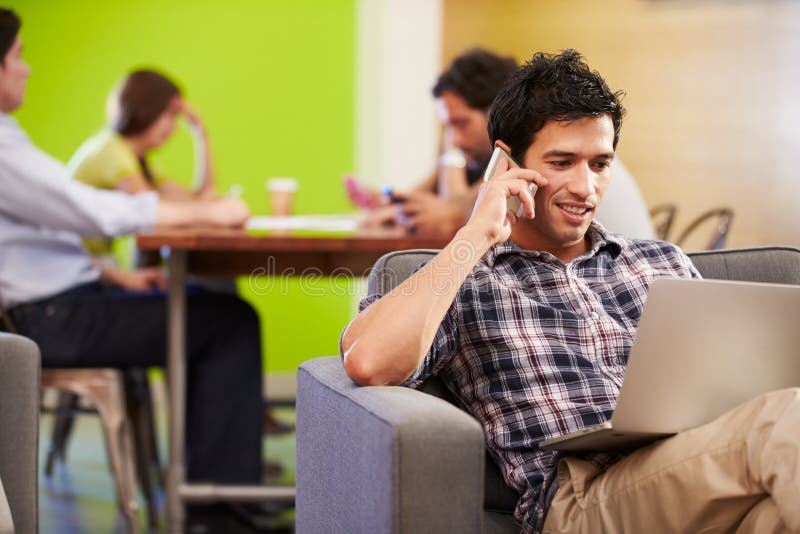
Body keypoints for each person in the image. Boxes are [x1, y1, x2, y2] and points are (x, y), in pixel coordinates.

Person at [341, 50, 799, 533]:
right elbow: (368, 362)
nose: (586, 187)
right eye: (562, 162)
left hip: (695, 474)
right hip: (580, 499)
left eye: (601, 164)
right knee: (785, 416)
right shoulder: (466, 279)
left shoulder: (661, 262)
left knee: (774, 515)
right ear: (507, 165)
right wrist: (473, 234)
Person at [0, 9, 265, 530]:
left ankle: (211, 487)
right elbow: (94, 212)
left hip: (66, 302)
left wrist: (114, 275)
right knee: (227, 321)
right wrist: (208, 212)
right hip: (52, 317)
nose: (27, 68)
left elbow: (49, 233)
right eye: (17, 57)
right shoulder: (8, 146)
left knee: (209, 307)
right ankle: (218, 510)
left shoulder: (14, 139)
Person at [351, 47, 655, 240]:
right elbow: (441, 206)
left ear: (494, 112)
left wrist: (450, 157)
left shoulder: (526, 169)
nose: (454, 139)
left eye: (460, 123)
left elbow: (453, 212)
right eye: (447, 128)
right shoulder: (509, 163)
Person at [67, 68, 218, 260]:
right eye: (171, 115)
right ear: (147, 108)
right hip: (82, 270)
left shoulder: (139, 162)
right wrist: (212, 213)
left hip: (98, 268)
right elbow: (154, 213)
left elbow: (203, 199)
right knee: (212, 284)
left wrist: (202, 135)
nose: (174, 128)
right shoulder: (112, 151)